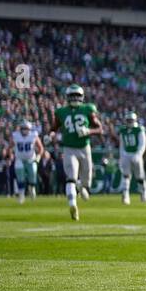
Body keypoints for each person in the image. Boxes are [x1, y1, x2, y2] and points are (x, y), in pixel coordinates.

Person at [50, 84, 102, 221]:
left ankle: (81, 186)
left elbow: (99, 128)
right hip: (69, 148)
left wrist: (88, 131)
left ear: (82, 97)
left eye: (77, 95)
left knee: (86, 183)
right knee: (71, 177)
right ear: (68, 97)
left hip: (84, 148)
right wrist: (50, 134)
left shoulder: (87, 109)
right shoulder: (61, 112)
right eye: (72, 95)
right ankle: (72, 204)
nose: (74, 98)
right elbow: (53, 128)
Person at [117, 112, 146, 204]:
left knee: (139, 176)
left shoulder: (139, 129)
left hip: (136, 154)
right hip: (126, 154)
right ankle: (125, 195)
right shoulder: (123, 130)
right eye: (128, 120)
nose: (129, 122)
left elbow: (142, 144)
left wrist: (138, 154)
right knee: (126, 175)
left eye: (131, 120)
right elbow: (122, 145)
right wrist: (122, 156)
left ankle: (143, 192)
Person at [10, 119, 44, 203]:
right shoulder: (16, 136)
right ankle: (21, 195)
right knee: (20, 176)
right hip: (19, 159)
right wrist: (9, 155)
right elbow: (10, 147)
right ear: (20, 129)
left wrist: (38, 157)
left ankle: (32, 188)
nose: (24, 130)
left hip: (31, 158)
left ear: (29, 129)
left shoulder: (33, 135)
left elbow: (41, 148)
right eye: (23, 128)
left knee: (33, 174)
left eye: (26, 128)